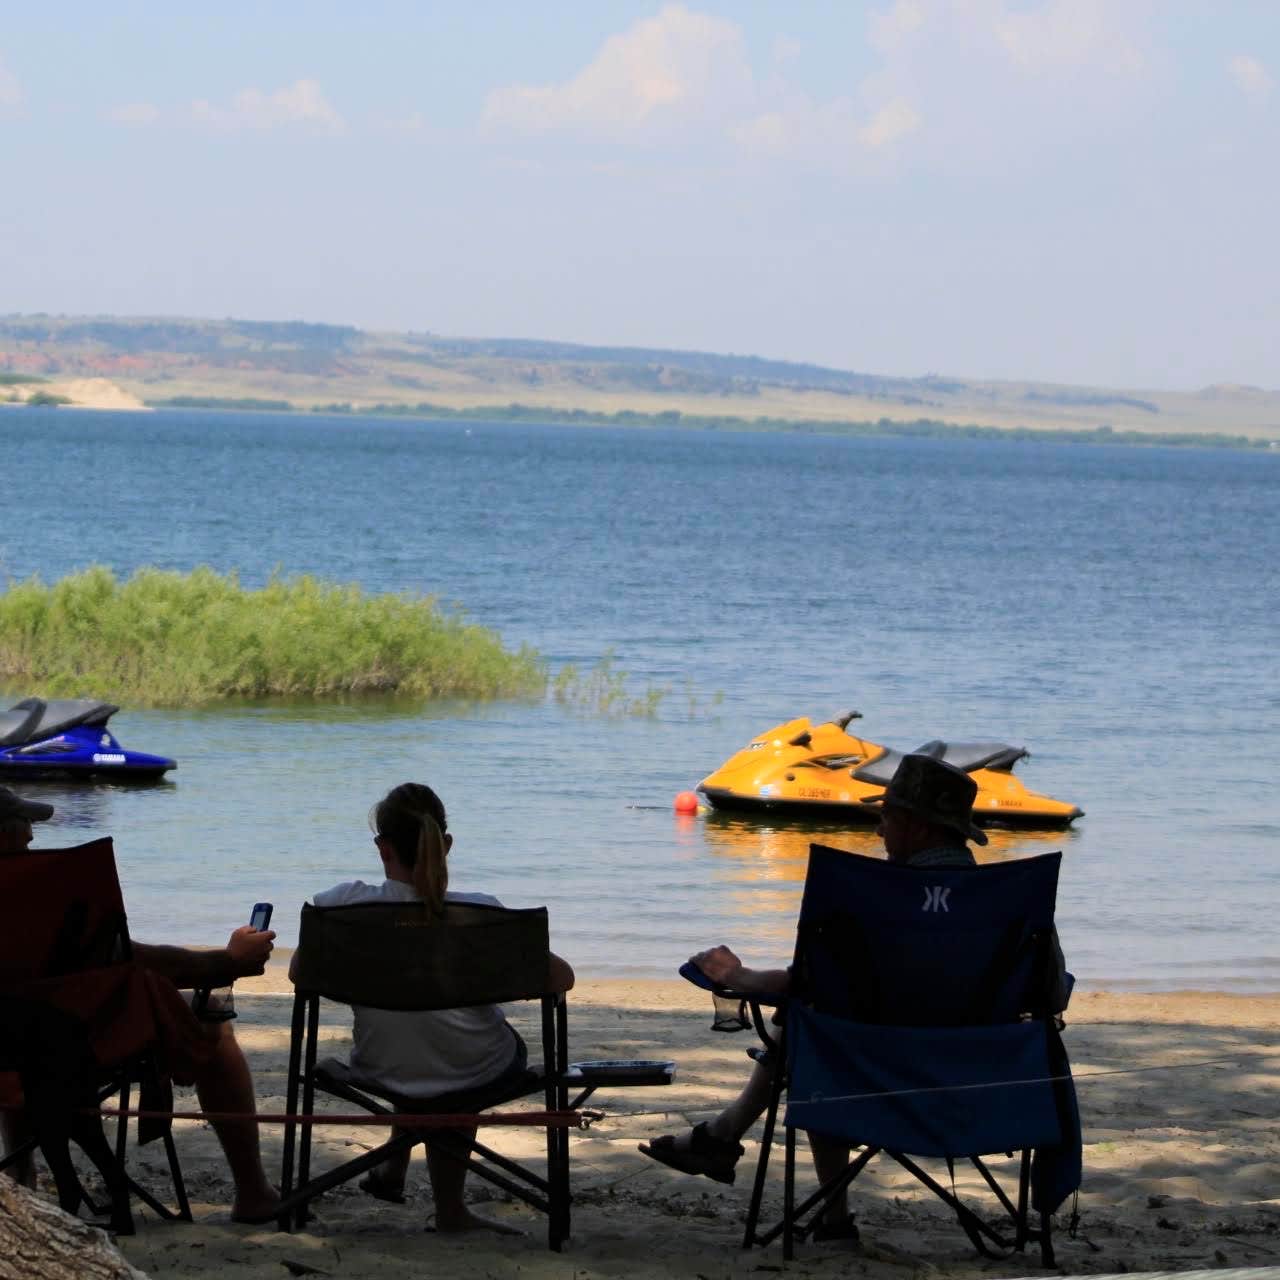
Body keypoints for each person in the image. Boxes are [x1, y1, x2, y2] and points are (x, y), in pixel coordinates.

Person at [639, 753, 1067, 1243]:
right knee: (817, 1020)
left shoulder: (876, 897)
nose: (880, 832)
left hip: (863, 1083)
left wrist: (742, 976)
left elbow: (819, 983)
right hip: (982, 1088)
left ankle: (817, 1204)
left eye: (886, 818)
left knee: (814, 1026)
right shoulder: (1008, 902)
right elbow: (1050, 994)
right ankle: (724, 1139)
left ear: (916, 826)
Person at [300, 781, 575, 1234]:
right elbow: (560, 978)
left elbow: (299, 972)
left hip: (381, 1069)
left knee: (422, 1056)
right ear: (445, 844)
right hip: (474, 1070)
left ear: (382, 848)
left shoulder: (344, 905)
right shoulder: (480, 915)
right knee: (463, 1056)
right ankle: (451, 1210)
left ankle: (392, 1167)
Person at [0, 785, 279, 1222]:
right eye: (25, 827)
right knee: (211, 1024)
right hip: (73, 1047)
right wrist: (227, 962)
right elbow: (130, 958)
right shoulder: (37, 892)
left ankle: (19, 1172)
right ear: (6, 835)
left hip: (11, 1046)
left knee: (24, 1018)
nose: (34, 837)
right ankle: (253, 1192)